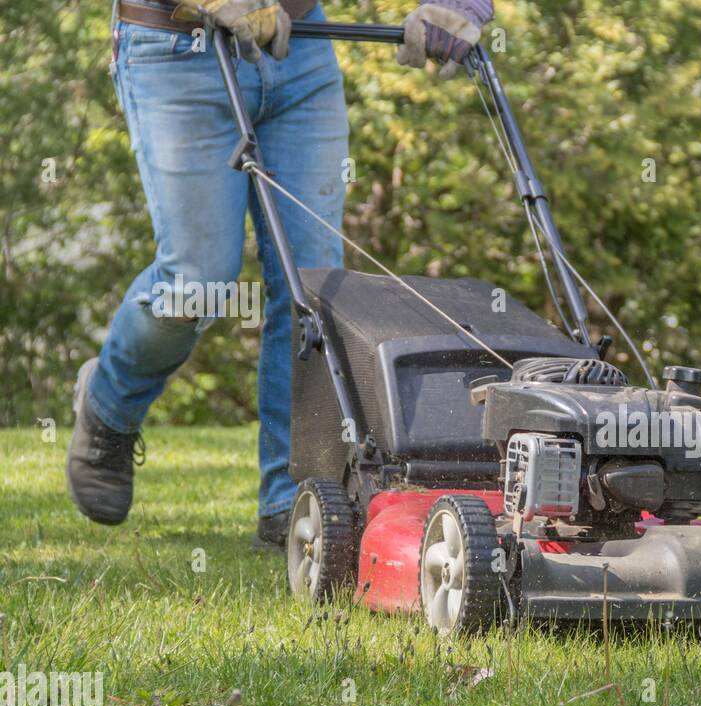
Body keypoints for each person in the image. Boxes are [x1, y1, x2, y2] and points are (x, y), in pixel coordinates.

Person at [66, 0, 494, 547]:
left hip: (299, 50)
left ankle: (291, 502)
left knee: (312, 288)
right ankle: (108, 403)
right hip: (178, 48)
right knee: (198, 283)